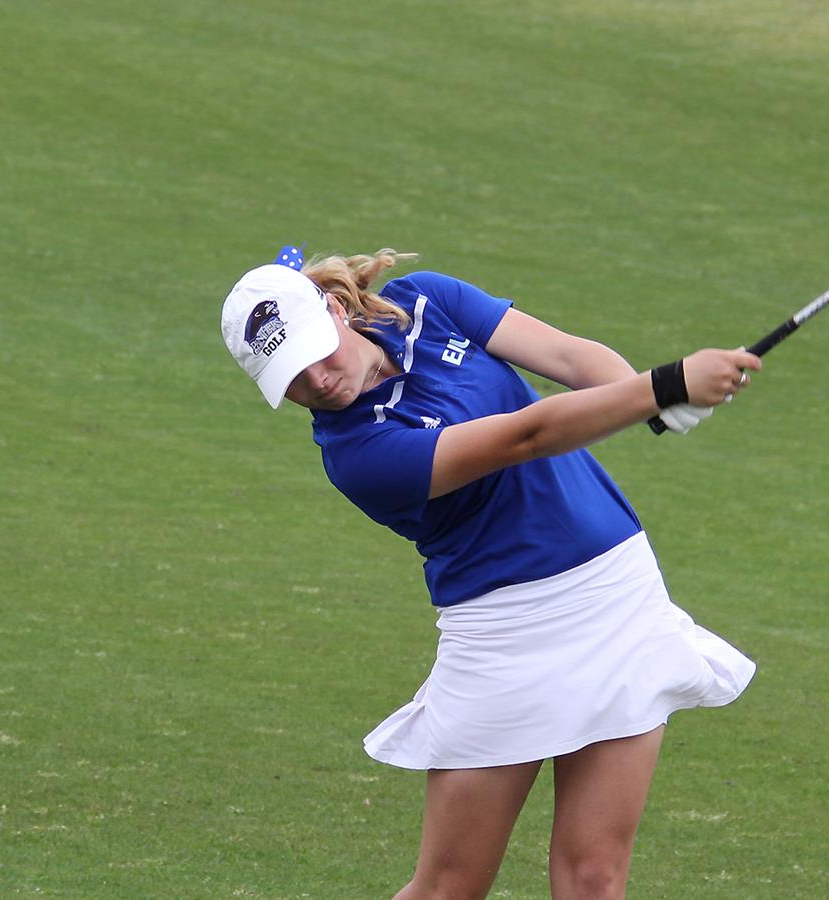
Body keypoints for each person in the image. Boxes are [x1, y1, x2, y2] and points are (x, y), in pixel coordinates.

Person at [219, 245, 761, 899]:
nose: (317, 381)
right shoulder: (357, 455)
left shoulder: (427, 299)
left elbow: (569, 358)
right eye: (291, 378)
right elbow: (524, 437)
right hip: (507, 639)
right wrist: (662, 387)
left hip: (619, 597)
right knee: (449, 888)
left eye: (316, 353)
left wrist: (643, 397)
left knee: (594, 878)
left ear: (335, 309)